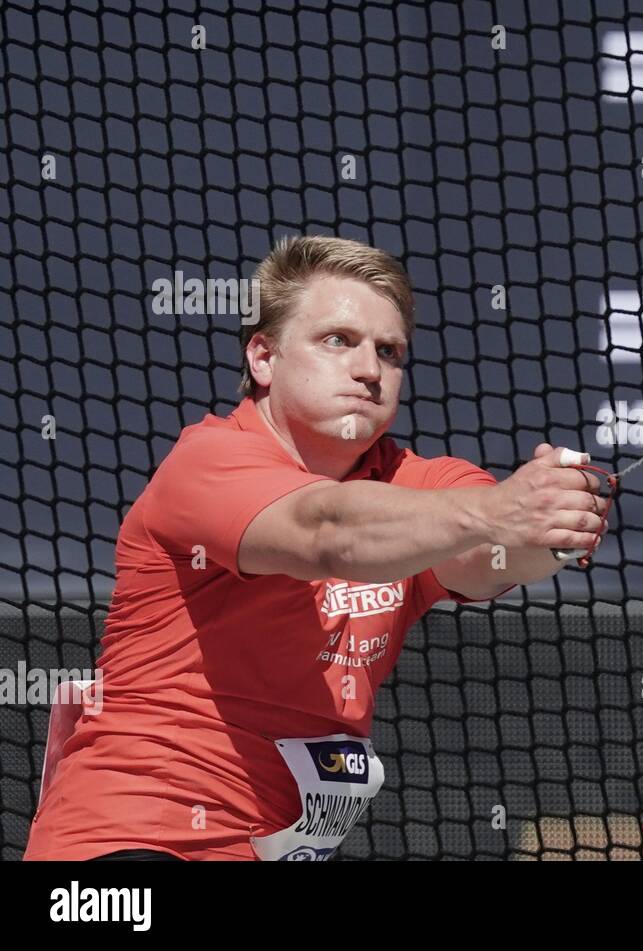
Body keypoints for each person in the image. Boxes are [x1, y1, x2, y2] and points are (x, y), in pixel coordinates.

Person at [24, 235, 609, 860]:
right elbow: (324, 532)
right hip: (128, 843)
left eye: (389, 352)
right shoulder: (208, 461)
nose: (368, 369)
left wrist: (554, 529)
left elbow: (484, 563)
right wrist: (499, 510)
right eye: (338, 341)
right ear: (263, 358)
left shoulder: (419, 485)